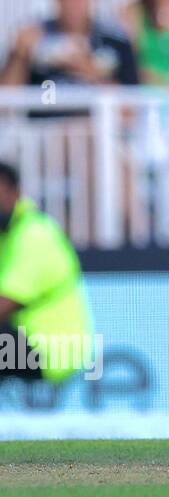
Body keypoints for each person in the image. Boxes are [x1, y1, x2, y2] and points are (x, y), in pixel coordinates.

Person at [0, 160, 96, 386]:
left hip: (52, 350)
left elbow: (6, 303)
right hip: (24, 340)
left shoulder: (35, 234)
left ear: (15, 193)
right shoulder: (8, 235)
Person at [0, 0, 138, 90]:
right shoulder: (34, 38)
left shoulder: (115, 41)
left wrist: (86, 69)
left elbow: (130, 107)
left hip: (96, 113)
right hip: (48, 112)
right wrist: (19, 56)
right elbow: (6, 101)